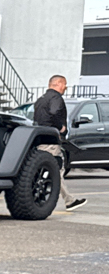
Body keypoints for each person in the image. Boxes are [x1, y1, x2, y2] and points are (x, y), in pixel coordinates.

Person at [34, 75, 87, 211]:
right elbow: (54, 112)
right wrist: (61, 127)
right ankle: (68, 200)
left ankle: (63, 199)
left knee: (42, 169)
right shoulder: (56, 98)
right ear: (57, 83)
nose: (66, 87)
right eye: (64, 84)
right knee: (56, 170)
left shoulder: (41, 99)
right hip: (51, 141)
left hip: (40, 139)